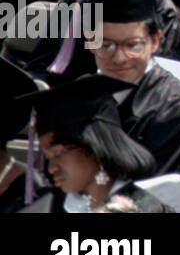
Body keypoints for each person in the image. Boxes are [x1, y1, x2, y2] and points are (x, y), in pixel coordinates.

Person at [76, 0, 180, 172]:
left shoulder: (178, 108)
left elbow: (154, 187)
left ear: (155, 41)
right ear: (91, 41)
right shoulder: (79, 94)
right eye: (107, 45)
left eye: (133, 45)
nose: (119, 58)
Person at [18, 75, 165, 213]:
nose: (51, 168)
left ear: (95, 149)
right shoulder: (49, 205)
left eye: (58, 154)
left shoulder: (146, 208)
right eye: (48, 158)